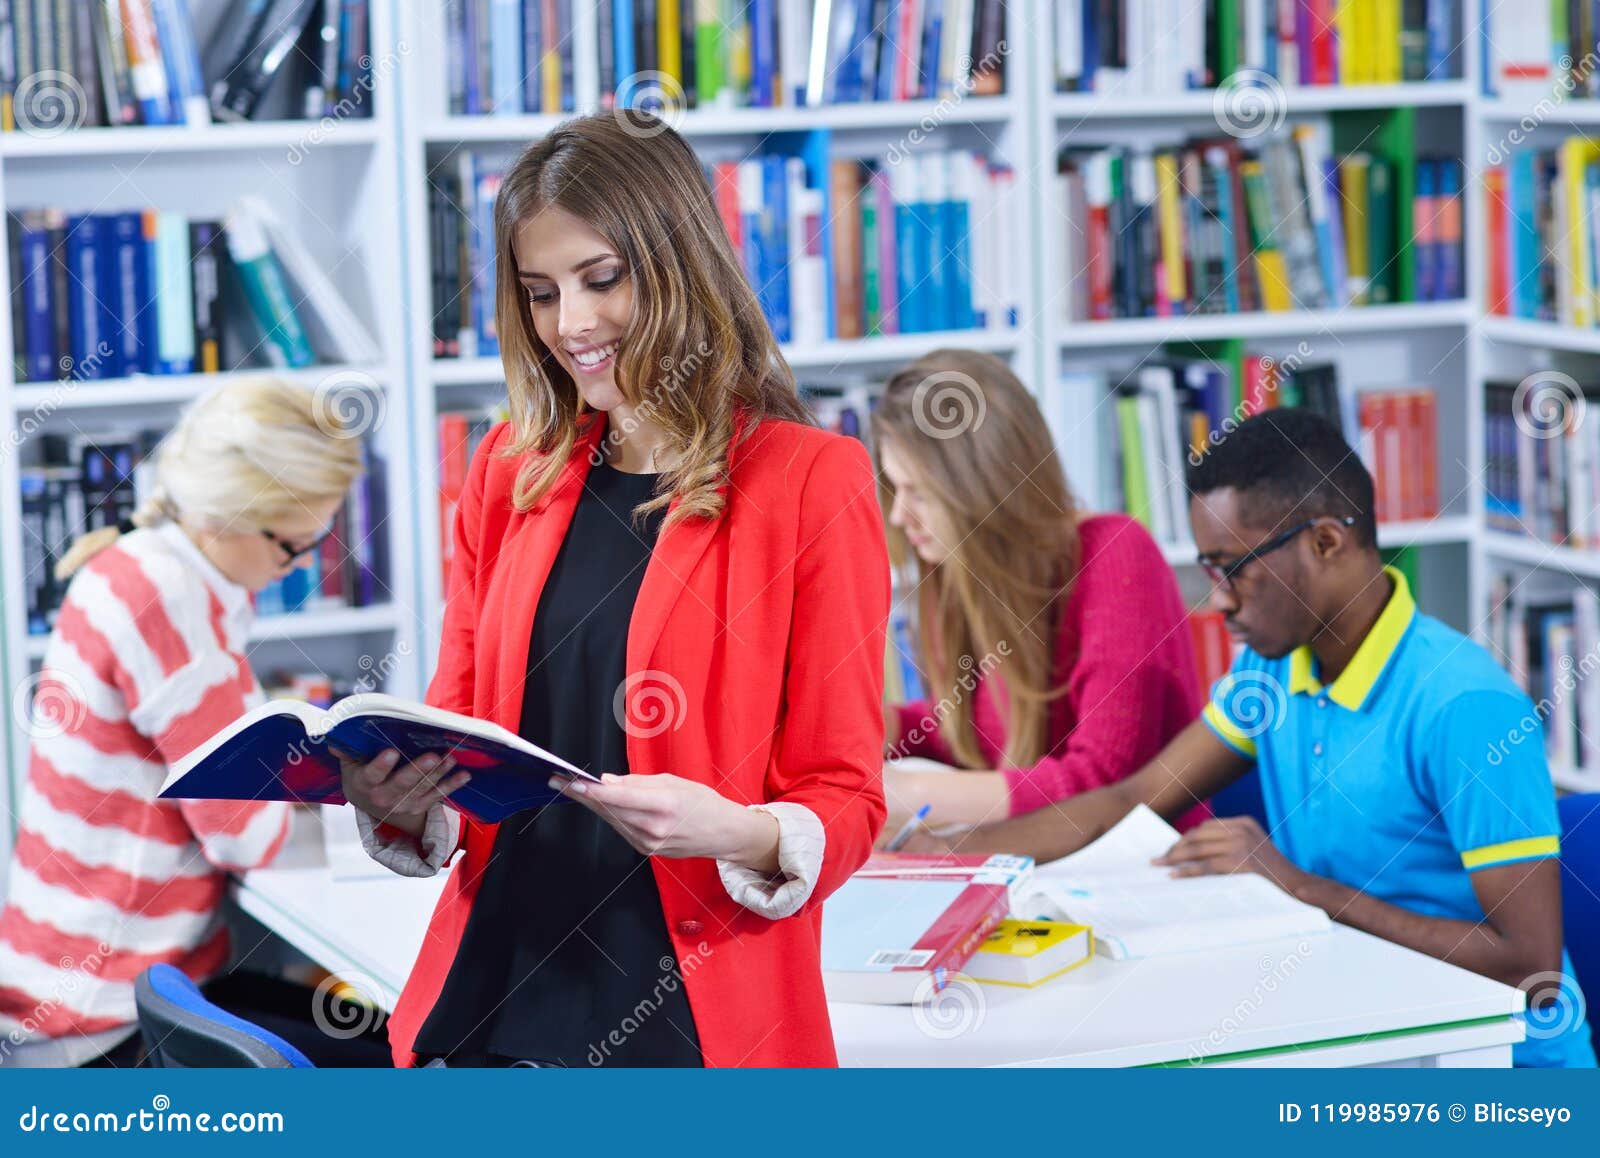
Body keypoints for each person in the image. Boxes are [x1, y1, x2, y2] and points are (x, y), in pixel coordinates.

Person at [337, 112, 889, 1068]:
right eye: (541, 293)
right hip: (492, 1001)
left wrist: (741, 831)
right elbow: (460, 727)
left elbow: (846, 794)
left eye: (602, 280)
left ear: (678, 265)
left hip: (691, 1013)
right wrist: (396, 795)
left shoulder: (811, 482)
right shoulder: (510, 471)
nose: (572, 325)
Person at [917, 408, 1594, 1067]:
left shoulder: (1464, 706)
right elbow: (1136, 797)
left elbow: (1526, 964)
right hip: (1359, 1024)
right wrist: (944, 858)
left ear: (1325, 541)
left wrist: (1295, 885)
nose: (1219, 601)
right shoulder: (1270, 669)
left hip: (1493, 1063)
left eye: (1231, 567)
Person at [0, 379, 381, 1067]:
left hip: (106, 988)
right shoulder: (167, 602)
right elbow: (247, 836)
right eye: (292, 546)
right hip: (100, 1026)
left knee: (380, 1033)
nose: (291, 569)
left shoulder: (140, 565)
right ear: (224, 516)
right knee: (393, 1054)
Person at [874, 349, 1205, 833]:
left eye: (919, 492)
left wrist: (915, 797)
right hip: (1039, 863)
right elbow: (989, 734)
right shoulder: (961, 571)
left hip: (1145, 872)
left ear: (982, 488)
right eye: (895, 489)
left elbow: (1102, 783)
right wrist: (889, 727)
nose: (901, 517)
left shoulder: (1115, 554)